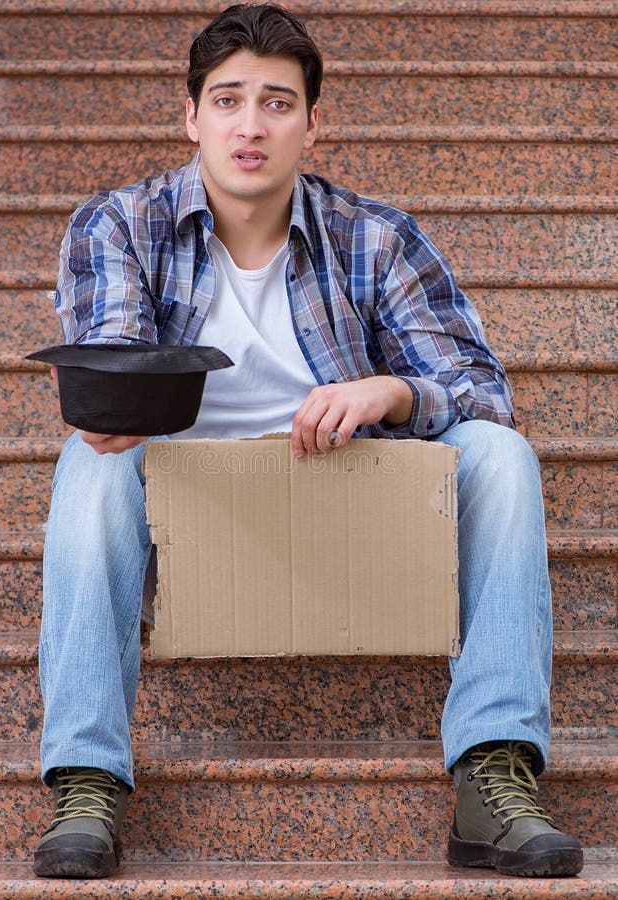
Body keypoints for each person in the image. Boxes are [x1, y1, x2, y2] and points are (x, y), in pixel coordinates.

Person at [32, 2, 584, 880]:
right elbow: (114, 368)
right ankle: (88, 778)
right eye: (227, 100)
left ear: (313, 125)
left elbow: (483, 395)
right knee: (88, 466)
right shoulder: (120, 226)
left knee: (501, 459)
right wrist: (116, 404)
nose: (250, 126)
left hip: (344, 491)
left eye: (278, 103)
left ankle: (492, 775)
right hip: (189, 503)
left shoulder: (374, 235)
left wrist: (389, 390)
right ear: (191, 117)